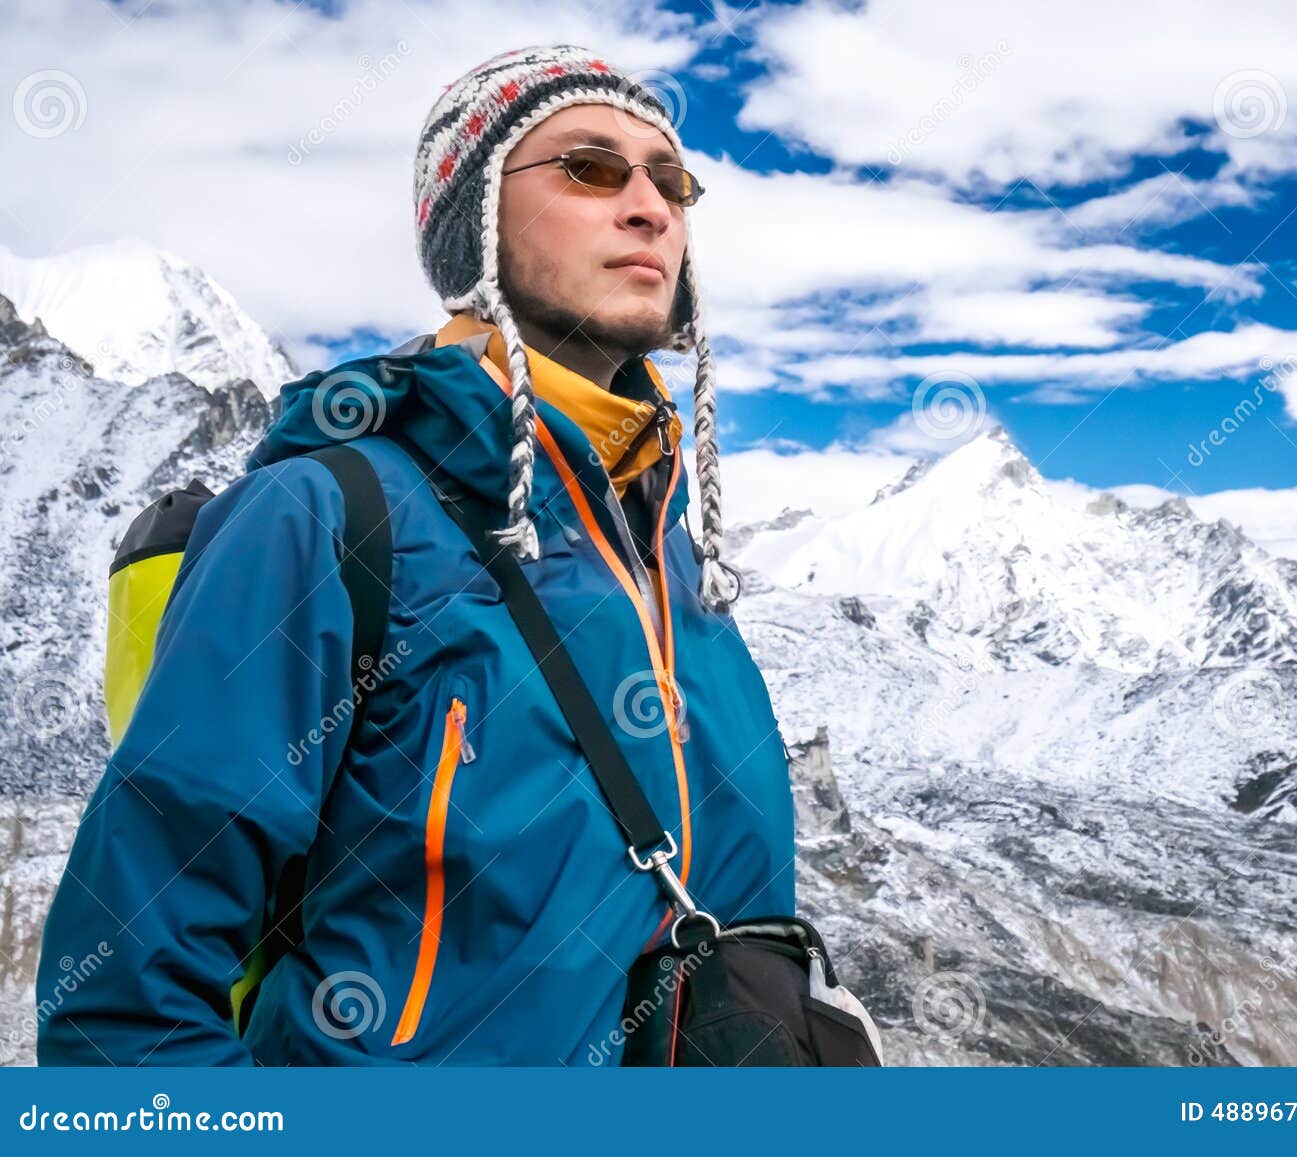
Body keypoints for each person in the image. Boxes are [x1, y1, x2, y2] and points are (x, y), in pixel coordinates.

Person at [36, 44, 796, 1066]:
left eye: (671, 179)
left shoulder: (678, 566)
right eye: (588, 167)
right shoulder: (324, 516)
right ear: (471, 222)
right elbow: (125, 1002)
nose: (651, 205)